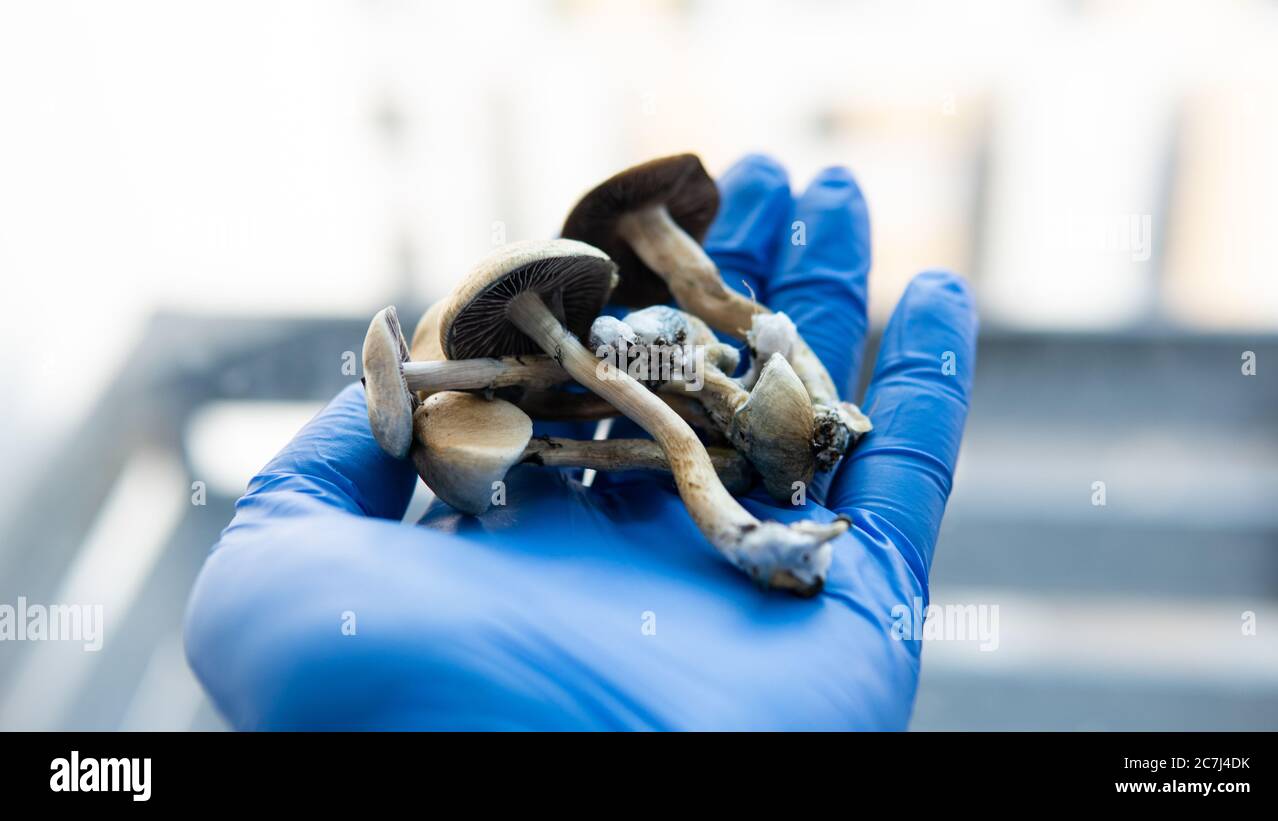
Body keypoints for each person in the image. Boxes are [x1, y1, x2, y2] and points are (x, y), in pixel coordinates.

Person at [183, 155, 978, 730]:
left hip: (683, 379)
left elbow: (661, 340)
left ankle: (760, 444)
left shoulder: (637, 338)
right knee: (612, 385)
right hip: (601, 405)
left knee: (651, 366)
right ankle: (742, 511)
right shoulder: (498, 387)